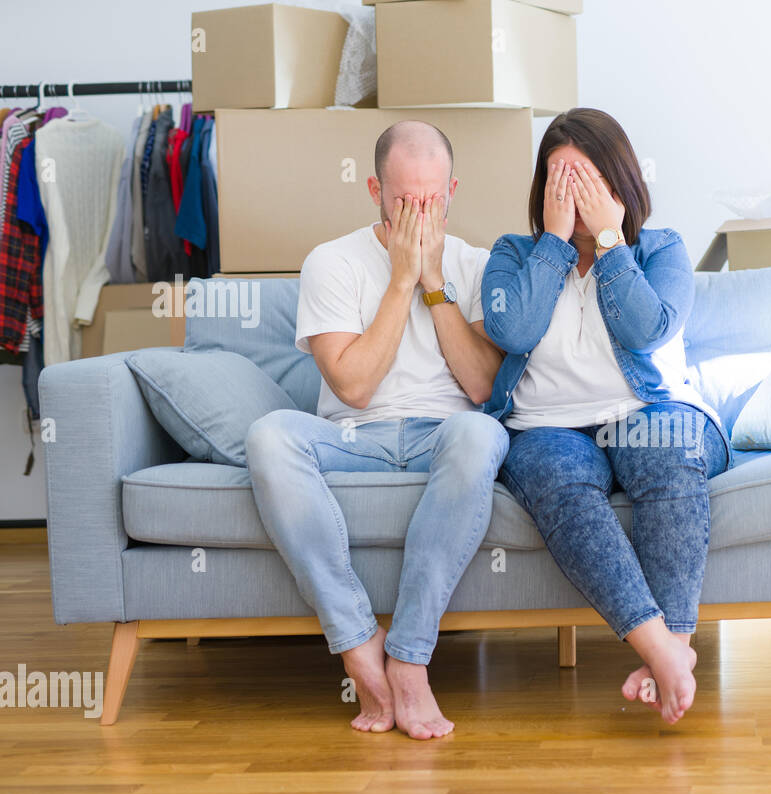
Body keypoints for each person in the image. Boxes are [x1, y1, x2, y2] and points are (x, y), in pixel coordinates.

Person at [245, 121, 507, 740]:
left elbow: (481, 390)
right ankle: (360, 644)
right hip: (352, 440)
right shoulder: (331, 262)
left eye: (432, 200)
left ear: (454, 190)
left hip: (443, 436)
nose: (418, 215)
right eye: (402, 200)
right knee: (269, 437)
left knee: (481, 434)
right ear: (373, 190)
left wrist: (435, 284)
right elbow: (355, 387)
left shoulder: (479, 265)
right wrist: (399, 281)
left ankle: (410, 659)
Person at [481, 108, 731, 725]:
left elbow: (648, 330)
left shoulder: (660, 248)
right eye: (556, 178)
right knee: (560, 482)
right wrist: (554, 245)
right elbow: (511, 329)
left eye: (584, 178)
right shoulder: (512, 254)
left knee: (668, 454)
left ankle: (672, 643)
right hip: (546, 426)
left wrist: (612, 242)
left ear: (618, 183)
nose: (569, 192)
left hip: (648, 411)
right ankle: (664, 652)